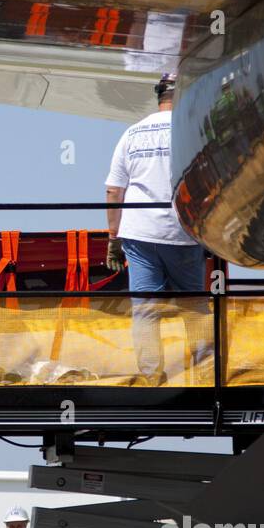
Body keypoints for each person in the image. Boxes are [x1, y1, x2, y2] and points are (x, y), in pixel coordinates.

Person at [104, 72, 207, 385]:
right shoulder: (193, 132)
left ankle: (151, 376)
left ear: (158, 96)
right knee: (195, 307)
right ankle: (205, 373)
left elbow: (113, 190)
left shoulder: (132, 134)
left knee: (145, 309)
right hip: (183, 233)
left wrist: (113, 238)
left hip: (139, 234)